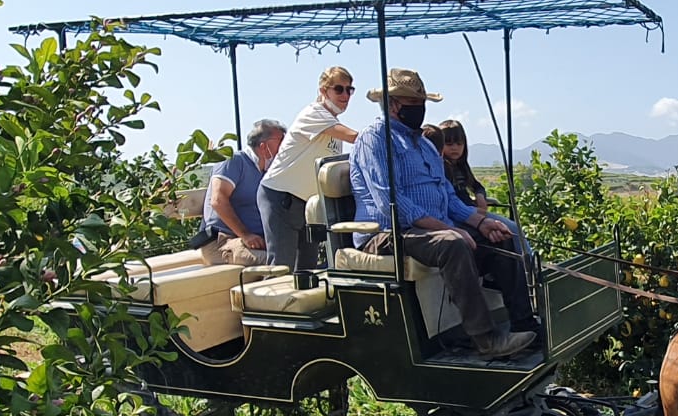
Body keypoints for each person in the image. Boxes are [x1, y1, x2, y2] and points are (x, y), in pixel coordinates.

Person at [349, 68, 537, 360]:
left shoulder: (424, 144)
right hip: (387, 232)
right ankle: (486, 340)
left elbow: (447, 196)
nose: (419, 110)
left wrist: (480, 221)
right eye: (412, 105)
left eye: (421, 104)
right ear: (392, 105)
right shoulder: (374, 140)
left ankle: (525, 325)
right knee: (453, 244)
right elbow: (390, 201)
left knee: (502, 236)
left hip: (429, 230)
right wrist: (445, 229)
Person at [259, 67, 360, 270]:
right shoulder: (314, 113)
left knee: (308, 269)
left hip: (307, 205)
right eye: (339, 89)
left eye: (350, 90)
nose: (345, 95)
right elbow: (355, 138)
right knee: (281, 268)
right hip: (281, 198)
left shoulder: (331, 123)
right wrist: (383, 138)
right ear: (323, 91)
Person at [435, 120, 535, 267]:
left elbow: (476, 185)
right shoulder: (442, 167)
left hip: (473, 209)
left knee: (510, 229)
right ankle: (529, 267)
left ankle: (528, 262)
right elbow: (452, 199)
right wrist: (475, 211)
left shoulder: (461, 166)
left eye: (459, 144)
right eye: (449, 144)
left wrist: (480, 197)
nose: (455, 148)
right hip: (462, 213)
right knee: (511, 228)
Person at [198, 120, 282, 266]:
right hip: (223, 242)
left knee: (299, 256)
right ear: (263, 145)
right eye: (280, 141)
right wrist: (246, 235)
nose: (284, 146)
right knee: (276, 264)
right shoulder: (234, 161)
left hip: (257, 241)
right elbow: (218, 200)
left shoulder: (265, 172)